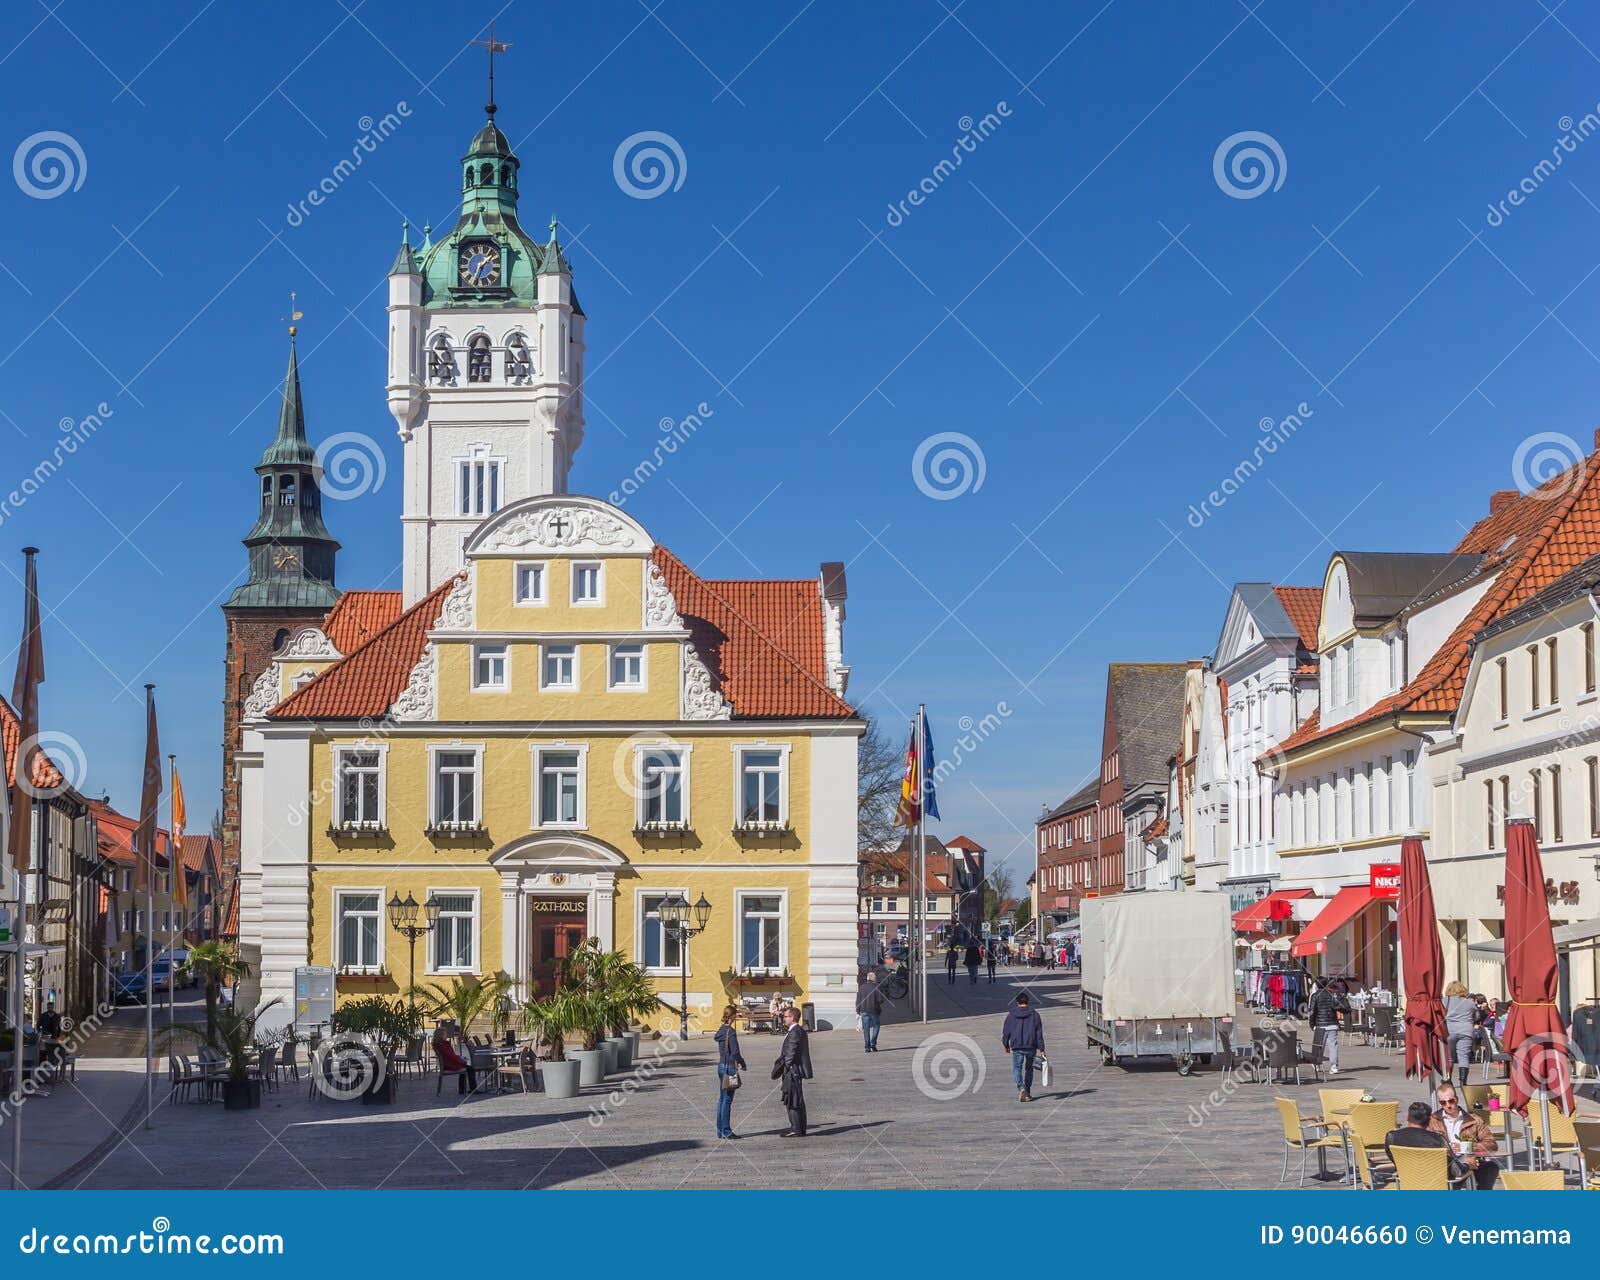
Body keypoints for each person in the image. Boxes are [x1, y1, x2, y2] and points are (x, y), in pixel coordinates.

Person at [1430, 1083, 1499, 1189]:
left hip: (1468, 1159)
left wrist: (1466, 1147)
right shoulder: (1433, 1120)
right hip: (1444, 1162)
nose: (1448, 1105)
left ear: (1457, 1099)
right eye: (1443, 1102)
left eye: (1451, 1101)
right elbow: (1426, 1144)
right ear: (1439, 1103)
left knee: (1491, 1167)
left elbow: (1492, 1144)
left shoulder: (1474, 1119)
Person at [1001, 990, 1045, 1102]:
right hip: (1031, 1046)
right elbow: (1039, 1033)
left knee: (1017, 1068)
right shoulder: (1035, 1015)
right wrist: (1042, 1049)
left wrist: (1006, 1044)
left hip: (1017, 1046)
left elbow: (1006, 1032)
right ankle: (1028, 1092)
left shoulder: (1011, 1015)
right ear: (1028, 1002)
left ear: (1017, 1002)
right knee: (1029, 1069)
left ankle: (1021, 1087)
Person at [776, 1006, 813, 1137]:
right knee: (797, 1099)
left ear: (792, 1017)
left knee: (792, 1100)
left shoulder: (794, 1031)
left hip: (792, 1071)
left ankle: (795, 1128)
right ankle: (800, 1128)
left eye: (786, 1016)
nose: (784, 1019)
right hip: (796, 1070)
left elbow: (790, 1053)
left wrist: (785, 1067)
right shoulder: (799, 1030)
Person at [714, 1006, 748, 1139]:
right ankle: (726, 1131)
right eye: (736, 1015)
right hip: (730, 1068)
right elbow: (735, 1052)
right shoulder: (731, 1032)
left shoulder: (721, 1030)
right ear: (732, 1016)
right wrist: (742, 1063)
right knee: (727, 1100)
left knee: (722, 1099)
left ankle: (720, 1130)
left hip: (721, 1066)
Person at [1305, 978, 1344, 1076]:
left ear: (1317, 985)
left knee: (1319, 1046)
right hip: (1333, 1024)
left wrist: (1312, 1024)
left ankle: (1318, 1064)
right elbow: (1337, 1007)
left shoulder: (1315, 995)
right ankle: (1334, 1067)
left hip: (1320, 1025)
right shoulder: (1332, 994)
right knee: (1333, 1046)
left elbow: (1312, 1011)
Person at [1443, 980, 1476, 1087]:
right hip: (1466, 1031)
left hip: (1449, 1031)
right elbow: (1477, 1016)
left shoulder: (1445, 1001)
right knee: (1464, 1057)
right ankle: (1463, 1081)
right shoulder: (1470, 1002)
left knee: (1449, 1057)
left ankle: (1447, 1080)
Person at [431, 1029, 477, 1095]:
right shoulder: (443, 1044)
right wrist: (460, 1059)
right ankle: (473, 1089)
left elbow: (451, 1055)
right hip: (450, 1064)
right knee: (470, 1068)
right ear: (441, 1035)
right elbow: (450, 1056)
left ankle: (462, 1089)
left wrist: (460, 1058)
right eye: (445, 1034)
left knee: (466, 1067)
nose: (446, 1035)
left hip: (448, 1063)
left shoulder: (439, 1044)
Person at [856, 971, 884, 1052]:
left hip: (864, 1010)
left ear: (867, 979)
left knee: (866, 1029)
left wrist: (858, 1011)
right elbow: (880, 1000)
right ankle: (873, 1044)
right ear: (874, 979)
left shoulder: (861, 987)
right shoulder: (876, 987)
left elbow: (858, 1000)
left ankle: (867, 1047)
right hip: (874, 1010)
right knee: (876, 1026)